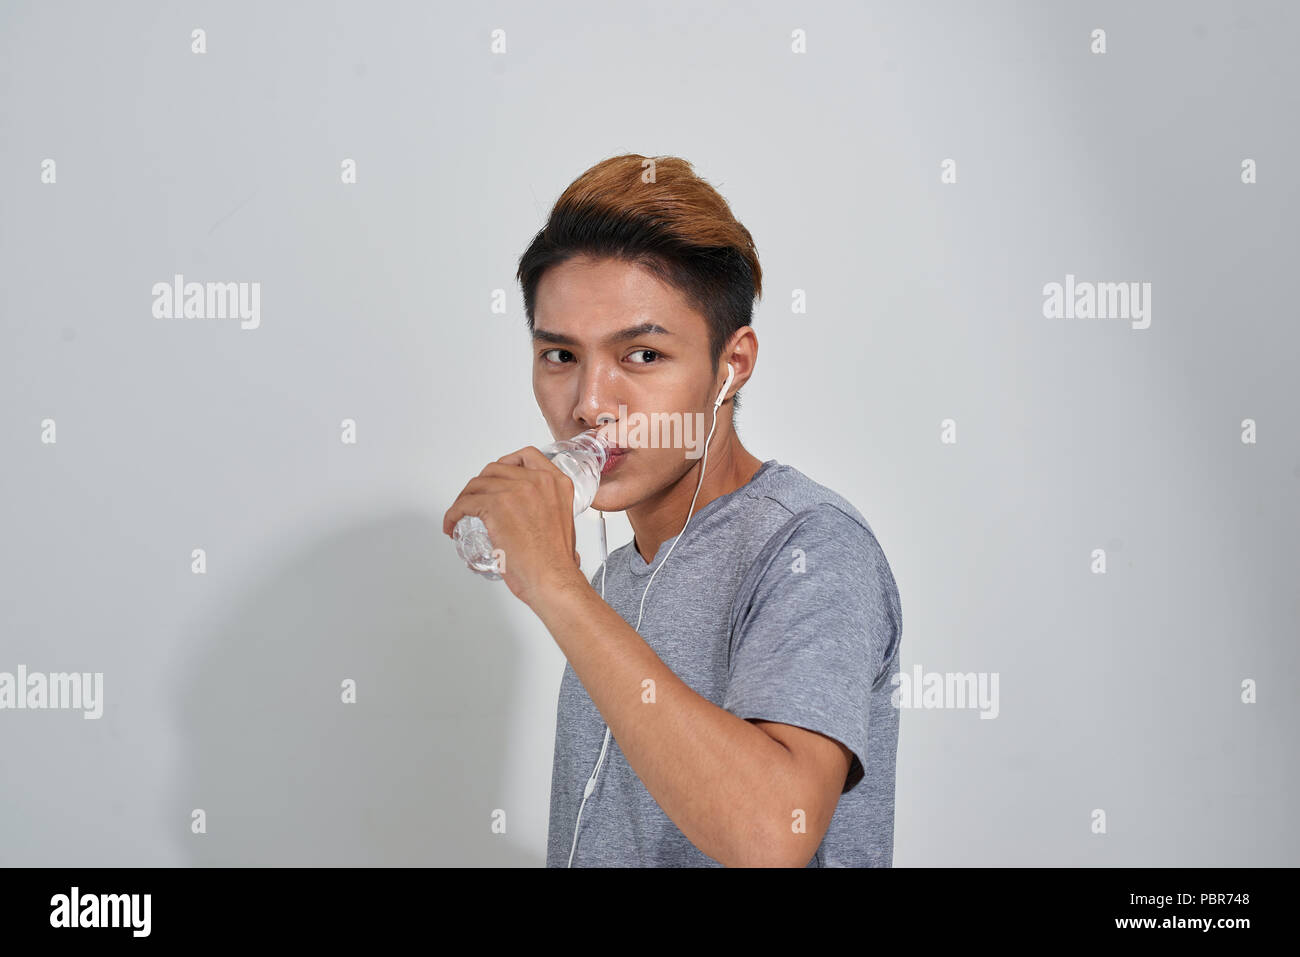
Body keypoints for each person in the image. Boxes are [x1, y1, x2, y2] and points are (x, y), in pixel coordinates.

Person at [443, 154, 903, 867]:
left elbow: (772, 833)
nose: (591, 403)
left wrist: (557, 587)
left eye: (643, 355)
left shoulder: (810, 546)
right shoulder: (618, 578)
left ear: (732, 364)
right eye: (561, 354)